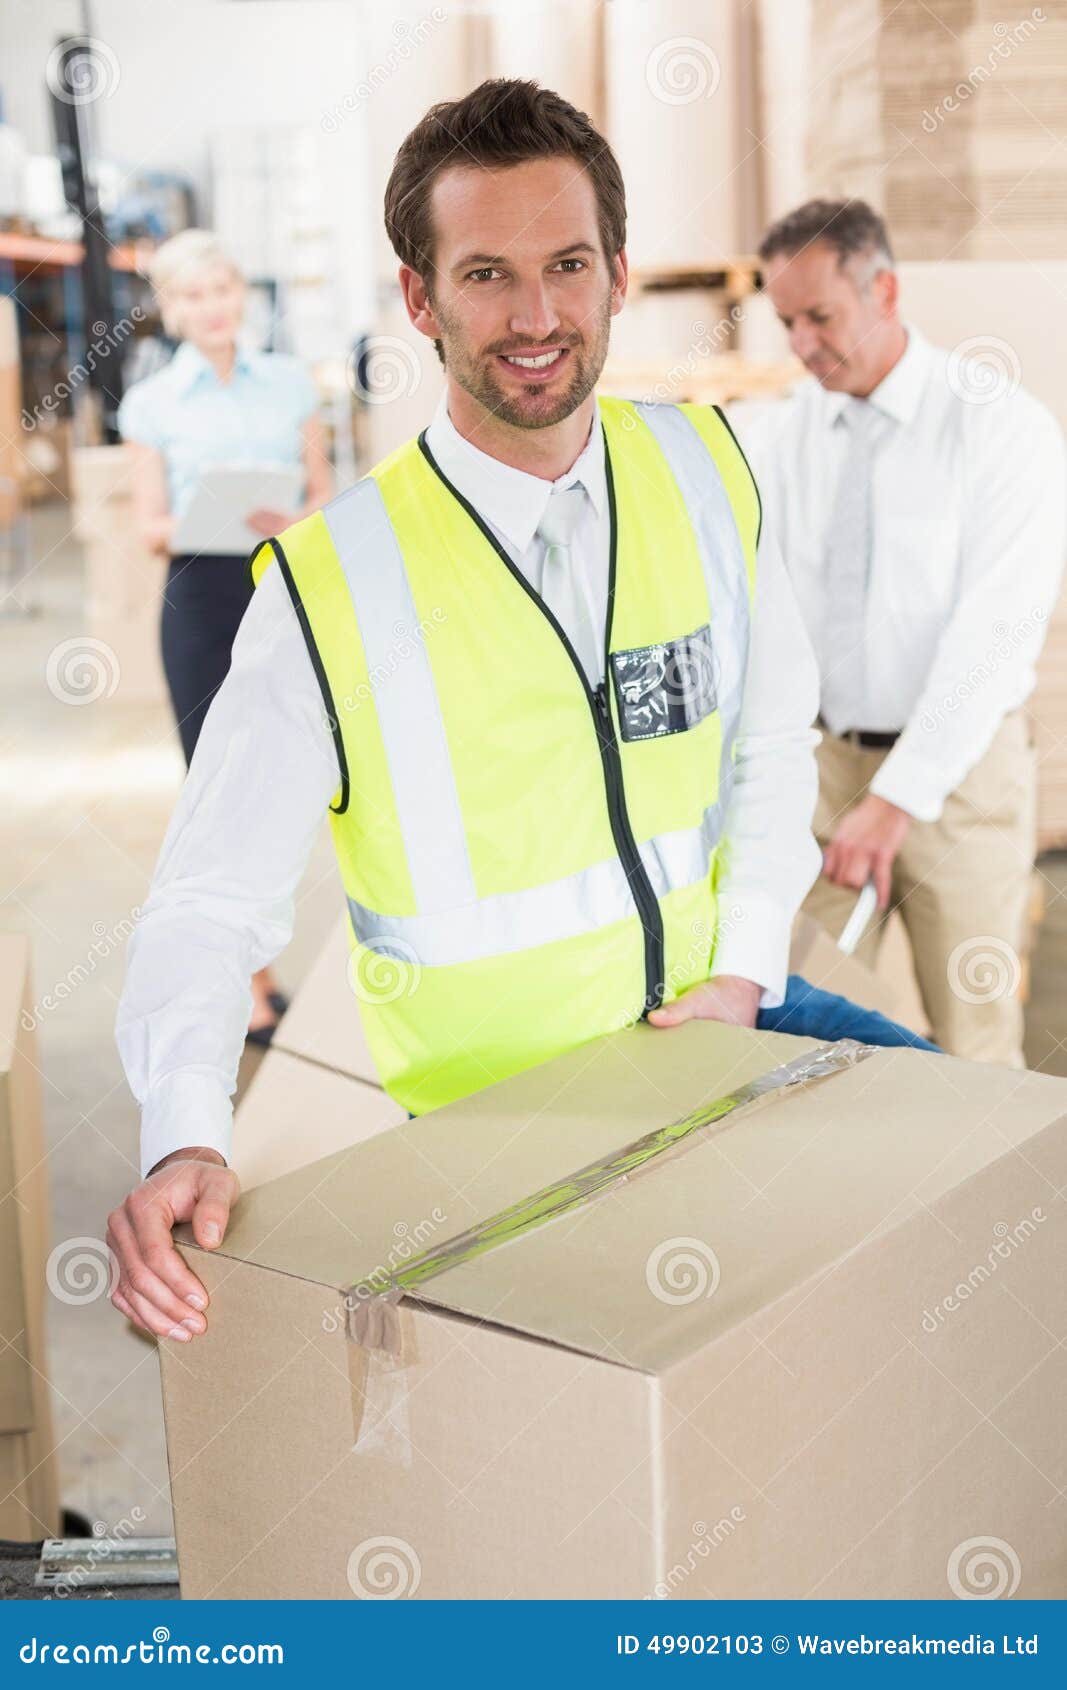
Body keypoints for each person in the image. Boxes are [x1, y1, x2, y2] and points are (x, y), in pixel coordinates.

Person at [108, 82, 933, 1347]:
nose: (536, 316)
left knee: (995, 1171)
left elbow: (769, 742)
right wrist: (185, 1131)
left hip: (724, 1020)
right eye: (487, 273)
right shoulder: (332, 589)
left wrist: (743, 965)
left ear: (616, 273)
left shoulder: (711, 472)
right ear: (418, 299)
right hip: (507, 1128)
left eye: (566, 265)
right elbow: (207, 902)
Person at [744, 198, 1066, 1067]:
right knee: (798, 1015)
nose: (803, 344)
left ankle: (998, 1203)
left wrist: (897, 799)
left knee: (973, 1037)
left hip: (959, 779)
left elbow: (995, 638)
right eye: (785, 322)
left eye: (820, 317)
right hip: (823, 773)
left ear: (883, 290)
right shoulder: (785, 434)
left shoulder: (1000, 428)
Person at [117, 229, 334, 1044]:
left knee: (292, 778)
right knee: (218, 796)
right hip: (202, 601)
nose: (210, 307)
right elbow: (147, 526)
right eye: (191, 296)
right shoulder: (152, 405)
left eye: (221, 289)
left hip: (283, 591)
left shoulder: (289, 387)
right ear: (170, 311)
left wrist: (292, 517)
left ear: (241, 294)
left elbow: (322, 491)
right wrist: (216, 520)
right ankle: (250, 981)